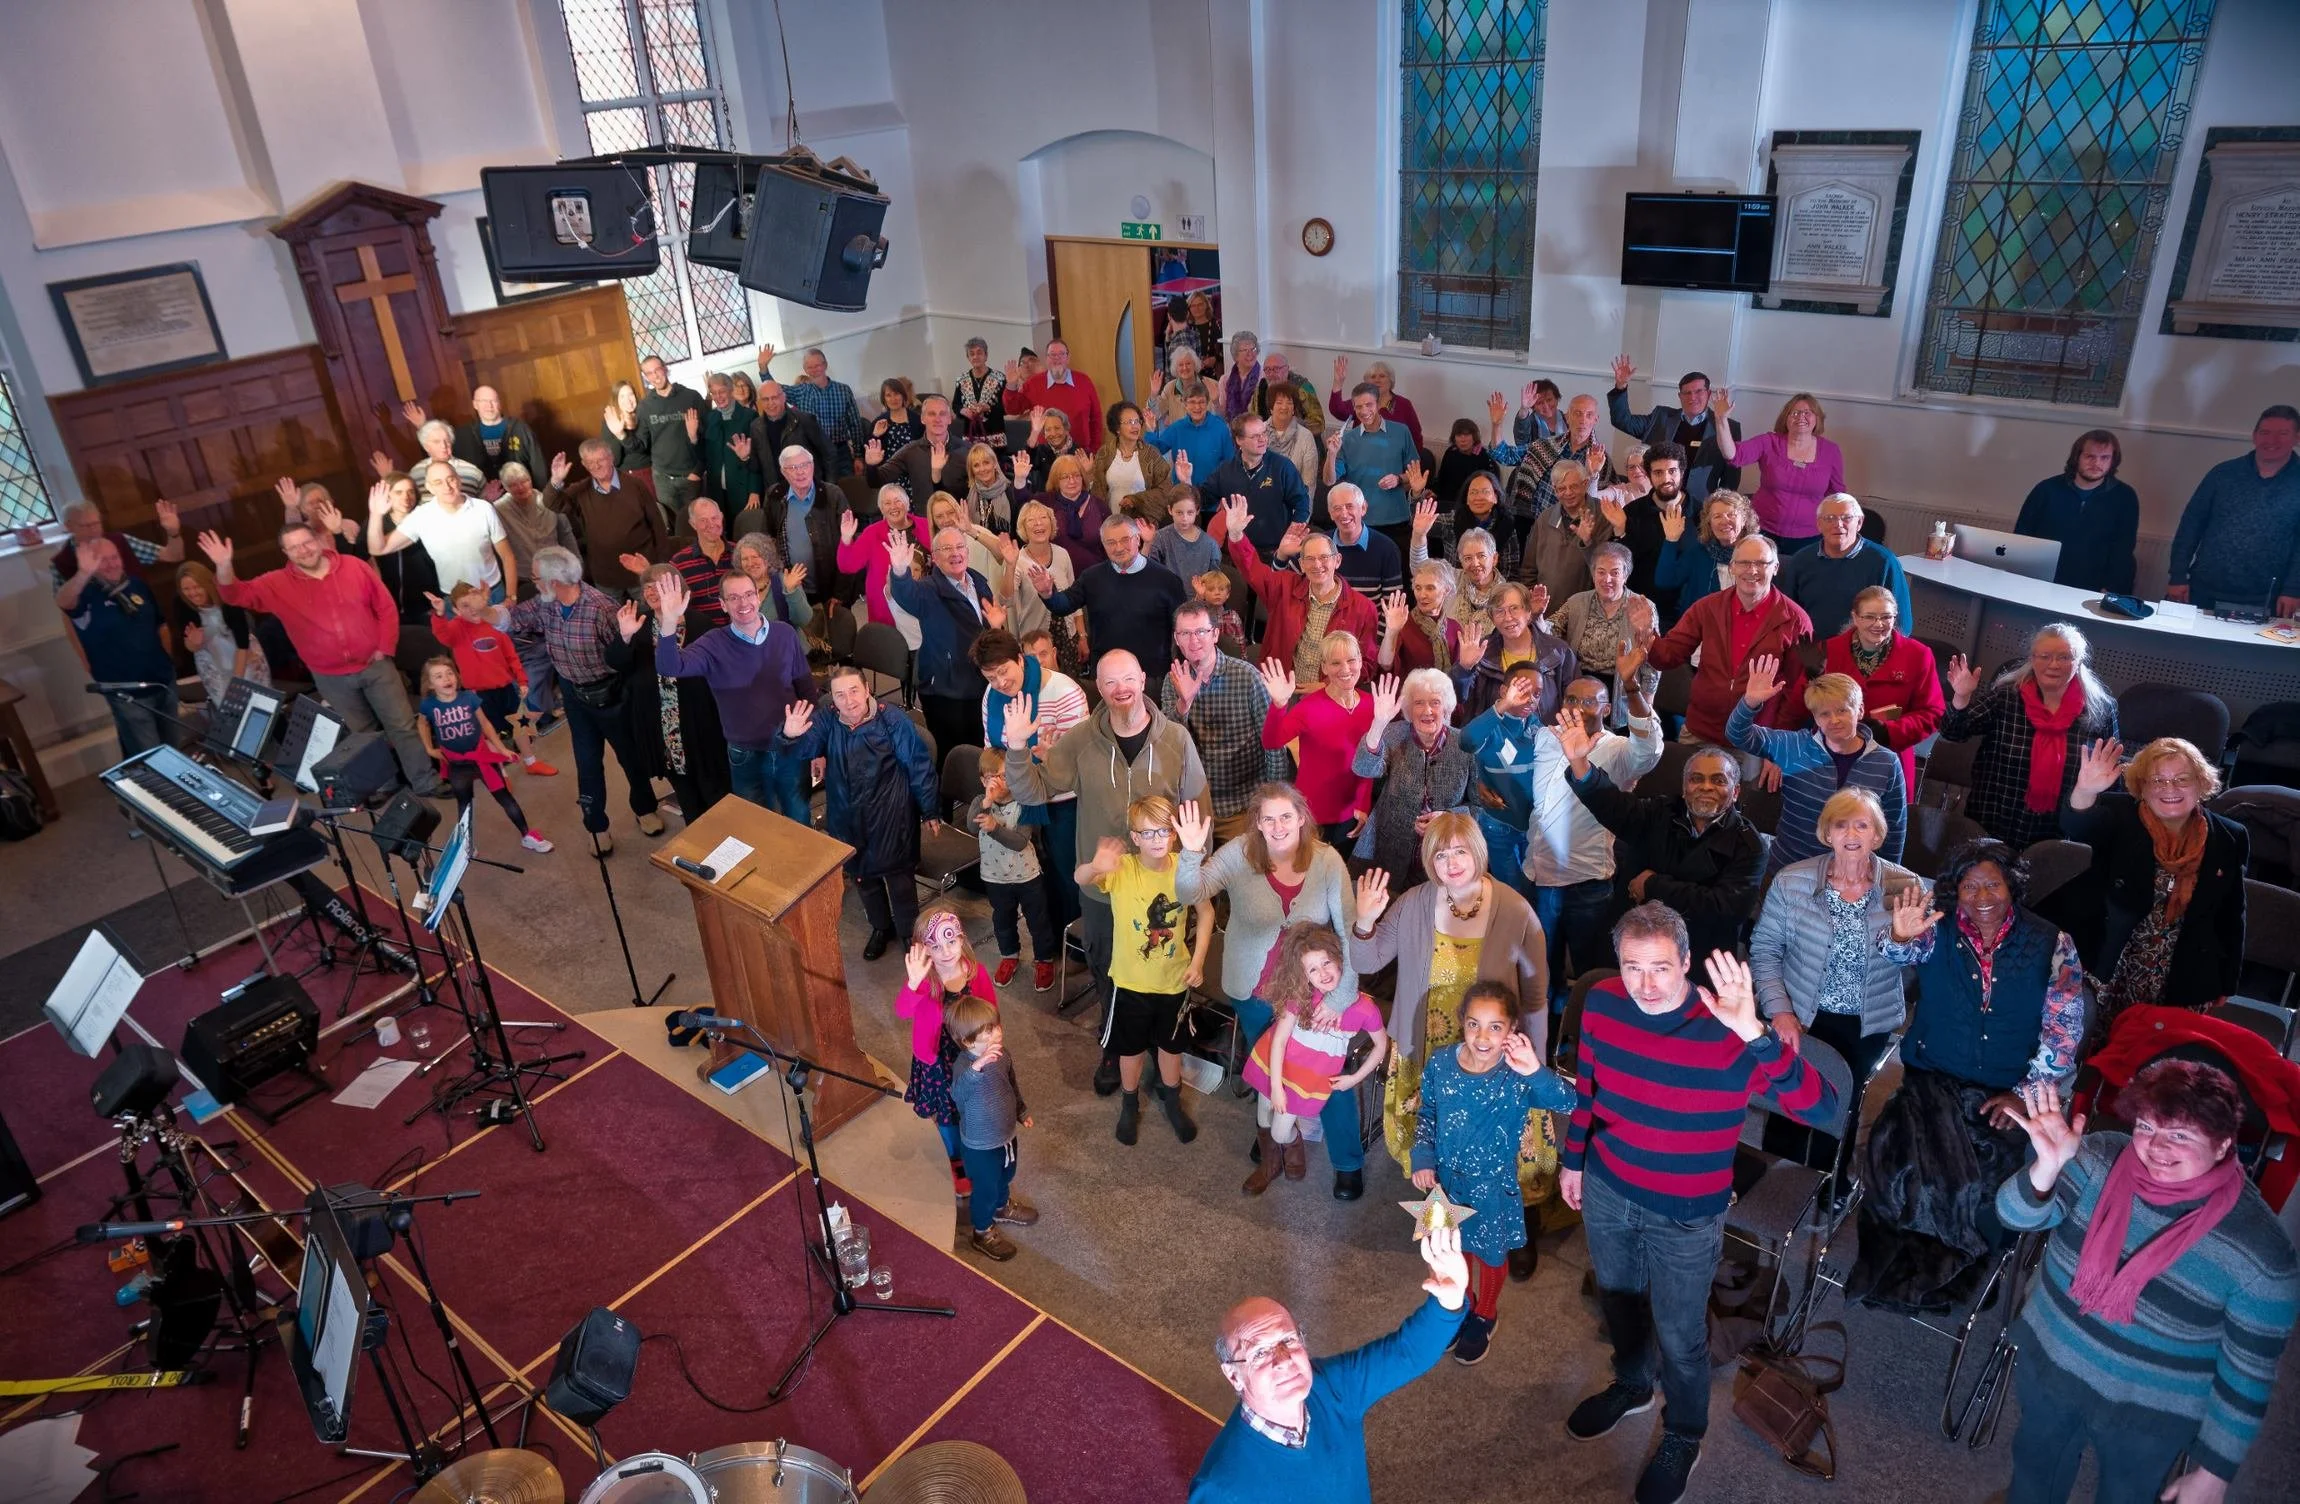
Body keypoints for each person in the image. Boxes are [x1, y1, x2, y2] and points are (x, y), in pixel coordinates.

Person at [1561, 907, 1838, 1504]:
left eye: (1661, 967)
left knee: (1681, 1333)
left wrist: (1755, 1033)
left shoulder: (1726, 1027)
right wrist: (1572, 1159)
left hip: (1685, 1211)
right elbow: (1587, 1090)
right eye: (1633, 967)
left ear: (1687, 963)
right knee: (1619, 1302)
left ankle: (1685, 1432)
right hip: (1608, 1189)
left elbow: (1822, 1109)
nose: (1646, 984)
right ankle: (1633, 1385)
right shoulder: (1603, 1002)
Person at [1994, 1067, 2298, 1504]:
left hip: (2153, 1413)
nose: (2156, 1148)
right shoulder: (2101, 1157)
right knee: (2032, 1478)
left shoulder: (2261, 1253)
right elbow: (2014, 1216)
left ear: (2224, 1145)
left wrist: (2214, 1474)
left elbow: (2248, 1374)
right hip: (2053, 1363)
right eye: (2146, 1127)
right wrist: (2046, 1169)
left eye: (2181, 1135)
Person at [1854, 841, 2085, 1311]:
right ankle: (1897, 1269)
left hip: (2006, 1092)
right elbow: (1892, 953)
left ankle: (1956, 1275)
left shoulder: (2052, 943)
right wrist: (1897, 935)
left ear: (2012, 886)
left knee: (1978, 1184)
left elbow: (2064, 1029)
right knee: (1889, 1160)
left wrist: (2025, 1094)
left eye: (1993, 884)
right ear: (1954, 891)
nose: (1982, 897)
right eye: (1969, 886)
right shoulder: (1934, 927)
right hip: (1930, 1081)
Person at [1176, 784, 1369, 1196]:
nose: (1278, 826)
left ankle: (1347, 1162)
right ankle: (1274, 1143)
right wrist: (1191, 853)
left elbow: (1349, 932)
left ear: (1302, 818)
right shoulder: (1240, 853)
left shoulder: (1327, 861)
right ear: (1258, 824)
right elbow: (1190, 892)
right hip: (1254, 990)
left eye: (1286, 817)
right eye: (1268, 819)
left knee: (1327, 1078)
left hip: (1311, 994)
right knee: (1267, 1072)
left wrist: (1339, 998)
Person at [1189, 1221, 1469, 1504]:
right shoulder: (1221, 1490)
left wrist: (1449, 1301)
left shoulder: (1331, 1386)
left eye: (1288, 1340)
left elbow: (1405, 1354)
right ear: (1233, 1375)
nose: (1283, 1361)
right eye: (1260, 1353)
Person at [1000, 650, 1209, 997]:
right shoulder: (1081, 740)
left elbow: (1199, 812)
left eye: (1128, 679)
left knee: (1161, 968)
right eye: (1110, 682)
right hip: (1102, 890)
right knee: (1105, 970)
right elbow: (1032, 791)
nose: (1121, 688)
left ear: (1142, 680)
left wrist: (1194, 875)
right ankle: (1111, 1026)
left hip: (1161, 888)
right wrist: (1018, 746)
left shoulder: (1176, 739)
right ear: (1098, 687)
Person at [1351, 816, 1548, 1180]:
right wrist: (1364, 923)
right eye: (1440, 855)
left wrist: (1534, 1064)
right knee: (1432, 1143)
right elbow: (1368, 961)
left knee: (1486, 1147)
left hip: (1489, 1051)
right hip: (1425, 1047)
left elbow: (1535, 997)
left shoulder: (1515, 909)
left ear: (1478, 851)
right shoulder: (1413, 902)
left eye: (1460, 851)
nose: (1451, 863)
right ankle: (1440, 1201)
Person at [202, 524, 446, 795]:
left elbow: (385, 607)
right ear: (285, 552)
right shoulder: (276, 583)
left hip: (376, 665)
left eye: (306, 542)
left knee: (402, 725)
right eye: (294, 547)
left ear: (318, 541)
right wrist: (223, 565)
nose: (303, 550)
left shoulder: (354, 566)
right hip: (330, 677)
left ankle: (425, 782)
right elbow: (235, 594)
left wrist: (385, 647)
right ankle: (385, 786)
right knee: (363, 734)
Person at [1747, 787, 1914, 1181]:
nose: (1851, 834)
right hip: (1800, 1012)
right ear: (1827, 833)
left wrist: (1902, 939)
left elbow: (1916, 962)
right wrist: (1780, 1012)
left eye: (1862, 825)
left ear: (1877, 835)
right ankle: (1775, 1180)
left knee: (1841, 1107)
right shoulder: (1792, 881)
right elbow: (1764, 950)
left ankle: (1828, 1181)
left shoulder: (1903, 887)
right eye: (1841, 825)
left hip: (1866, 1020)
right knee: (1788, 1096)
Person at [1411, 979, 1575, 1363]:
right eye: (1474, 1024)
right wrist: (1422, 1157)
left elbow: (1570, 1102)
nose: (1482, 1037)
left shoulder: (1517, 1074)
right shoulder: (1441, 1063)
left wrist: (1534, 1070)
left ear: (1512, 1029)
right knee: (1452, 1249)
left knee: (1490, 1255)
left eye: (1495, 1027)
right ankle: (1462, 1305)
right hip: (1444, 1183)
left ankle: (1485, 1314)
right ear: (1462, 1022)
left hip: (1491, 1189)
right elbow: (1428, 1113)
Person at [2051, 736, 2247, 1022]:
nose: (2170, 789)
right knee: (2098, 1039)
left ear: (2202, 782)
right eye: (2157, 780)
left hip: (2183, 969)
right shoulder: (2120, 816)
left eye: (2182, 779)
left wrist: (2228, 981)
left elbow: (2232, 914)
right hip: (2113, 961)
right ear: (2142, 787)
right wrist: (2085, 790)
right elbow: (2077, 825)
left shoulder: (2230, 836)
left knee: (2160, 1045)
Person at [493, 546, 663, 846]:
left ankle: (645, 808)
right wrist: (481, 611)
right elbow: (511, 617)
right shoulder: (545, 604)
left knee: (630, 757)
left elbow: (624, 655)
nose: (533, 583)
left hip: (611, 693)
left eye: (536, 578)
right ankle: (596, 826)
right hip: (574, 695)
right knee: (587, 763)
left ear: (554, 581)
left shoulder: (601, 608)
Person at [1077, 795, 1212, 1146]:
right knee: (1131, 1050)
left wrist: (1197, 961)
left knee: (1171, 1047)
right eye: (1148, 833)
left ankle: (1172, 1101)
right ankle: (1129, 1102)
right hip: (1130, 984)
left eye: (1164, 831)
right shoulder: (1122, 867)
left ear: (1174, 834)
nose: (1157, 839)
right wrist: (1095, 865)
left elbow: (1207, 912)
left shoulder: (1185, 866)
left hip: (1174, 982)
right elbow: (1081, 878)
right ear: (1135, 837)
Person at [781, 669, 942, 958]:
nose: (849, 700)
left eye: (854, 691)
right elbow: (803, 750)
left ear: (867, 689)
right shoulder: (827, 720)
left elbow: (919, 767)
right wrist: (789, 736)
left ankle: (909, 934)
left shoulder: (892, 721)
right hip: (847, 819)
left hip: (891, 819)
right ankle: (881, 928)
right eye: (840, 694)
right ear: (833, 699)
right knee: (864, 881)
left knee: (900, 884)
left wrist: (930, 809)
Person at [1530, 671, 1664, 1007]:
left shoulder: (1617, 749)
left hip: (1586, 883)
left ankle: (1584, 1026)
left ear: (1606, 709)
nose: (1577, 707)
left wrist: (1631, 687)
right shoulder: (1546, 737)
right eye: (1571, 699)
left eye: (1589, 701)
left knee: (1589, 972)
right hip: (1539, 874)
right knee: (1541, 967)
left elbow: (1649, 750)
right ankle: (1549, 1025)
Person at [1566, 742, 1765, 963]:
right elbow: (1612, 804)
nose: (1706, 787)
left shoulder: (1749, 845)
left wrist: (1653, 886)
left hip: (1698, 956)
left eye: (1719, 780)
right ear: (1684, 788)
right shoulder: (1659, 812)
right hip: (1635, 942)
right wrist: (1578, 761)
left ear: (1735, 792)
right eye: (1696, 779)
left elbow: (1725, 909)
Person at [644, 567, 815, 821]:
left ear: (758, 597)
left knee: (797, 814)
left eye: (748, 594)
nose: (743, 603)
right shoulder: (713, 643)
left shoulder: (784, 633)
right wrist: (669, 622)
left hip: (790, 744)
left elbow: (806, 687)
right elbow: (669, 667)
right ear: (723, 605)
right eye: (733, 598)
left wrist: (813, 742)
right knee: (754, 821)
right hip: (744, 752)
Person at [1940, 621, 2120, 849]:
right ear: (2032, 659)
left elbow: (2110, 779)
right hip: (1993, 819)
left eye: (2065, 657)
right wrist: (1961, 697)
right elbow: (1953, 733)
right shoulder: (2007, 696)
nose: (2053, 665)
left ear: (2079, 661)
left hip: (2059, 832)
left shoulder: (2100, 709)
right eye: (2044, 656)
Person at [1241, 922, 1388, 1195]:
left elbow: (1381, 1045)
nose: (1322, 973)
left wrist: (1354, 1078)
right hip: (1275, 1063)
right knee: (1264, 1118)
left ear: (1340, 960)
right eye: (1312, 969)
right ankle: (1269, 1164)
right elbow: (1280, 1039)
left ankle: (1292, 1145)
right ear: (1304, 975)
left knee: (1280, 1131)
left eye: (1326, 962)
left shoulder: (1365, 1009)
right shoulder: (1302, 994)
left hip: (1306, 1078)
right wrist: (1275, 1086)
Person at [1728, 662, 1909, 875]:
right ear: (1815, 718)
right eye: (1824, 714)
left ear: (1860, 710)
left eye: (1842, 710)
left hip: (1851, 876)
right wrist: (1750, 702)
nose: (1834, 720)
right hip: (1787, 869)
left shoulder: (1887, 763)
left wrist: (1884, 879)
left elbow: (1894, 829)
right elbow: (1737, 734)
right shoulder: (1794, 746)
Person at [1646, 535, 1813, 747]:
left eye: (1761, 563)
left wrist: (1780, 743)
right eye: (1744, 563)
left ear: (1776, 567)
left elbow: (1796, 690)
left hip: (1755, 738)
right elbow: (1667, 657)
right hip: (1700, 730)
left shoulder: (1796, 621)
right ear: (1732, 567)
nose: (1752, 570)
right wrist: (1646, 634)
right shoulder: (1707, 607)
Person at [895, 901, 997, 1197]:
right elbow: (902, 1011)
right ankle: (956, 1161)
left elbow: (990, 1010)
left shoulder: (975, 973)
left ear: (961, 939)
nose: (946, 951)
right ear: (924, 950)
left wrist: (993, 1041)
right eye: (936, 946)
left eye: (951, 941)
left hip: (970, 1054)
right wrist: (913, 985)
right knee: (948, 1114)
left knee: (973, 1106)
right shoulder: (924, 982)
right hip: (938, 1061)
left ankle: (975, 1148)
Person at [1161, 601, 1285, 841]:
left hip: (1242, 804)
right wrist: (1184, 704)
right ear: (1177, 639)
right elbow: (1169, 747)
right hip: (1193, 804)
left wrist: (1273, 799)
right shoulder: (1172, 680)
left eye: (1201, 631)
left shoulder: (1247, 676)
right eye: (1185, 633)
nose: (1193, 640)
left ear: (1215, 634)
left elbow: (1273, 743)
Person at [620, 563, 730, 824]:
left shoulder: (701, 624)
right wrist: (624, 638)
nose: (651, 592)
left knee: (716, 793)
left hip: (701, 726)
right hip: (664, 730)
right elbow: (618, 664)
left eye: (658, 586)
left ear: (676, 589)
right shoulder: (639, 624)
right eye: (647, 587)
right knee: (686, 796)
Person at [1222, 497, 1381, 677]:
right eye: (1310, 559)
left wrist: (1327, 686)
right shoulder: (1284, 587)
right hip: (1282, 685)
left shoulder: (1363, 608)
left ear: (1337, 561)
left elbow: (1366, 664)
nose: (1317, 565)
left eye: (1324, 557)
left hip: (1330, 690)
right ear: (1302, 565)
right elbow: (1253, 569)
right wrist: (1236, 535)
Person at [2164, 404, 2300, 614]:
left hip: (2267, 599)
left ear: (2297, 438)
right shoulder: (2223, 474)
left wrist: (2293, 589)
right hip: (2202, 590)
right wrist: (2178, 575)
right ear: (2254, 436)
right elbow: (2191, 525)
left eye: (2282, 434)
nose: (2272, 440)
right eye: (2265, 432)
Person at [1027, 515, 1192, 682]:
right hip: (1106, 677)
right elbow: (1063, 605)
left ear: (1137, 539)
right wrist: (1047, 593)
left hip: (1152, 677)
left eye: (1125, 540)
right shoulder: (1092, 577)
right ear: (1103, 544)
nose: (1118, 548)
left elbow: (1184, 629)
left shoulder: (1167, 580)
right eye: (1111, 542)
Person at [413, 657, 553, 852]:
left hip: (482, 759)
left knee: (505, 797)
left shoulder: (469, 698)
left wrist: (502, 749)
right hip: (457, 765)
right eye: (439, 676)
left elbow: (486, 724)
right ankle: (466, 843)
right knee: (464, 804)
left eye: (450, 673)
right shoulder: (428, 705)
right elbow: (422, 724)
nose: (446, 678)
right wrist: (429, 749)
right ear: (429, 684)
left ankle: (527, 835)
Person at [1350, 670, 1476, 884]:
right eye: (1418, 703)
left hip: (1445, 854)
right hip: (1388, 848)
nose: (1427, 710)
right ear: (1409, 708)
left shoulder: (1465, 745)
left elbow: (1480, 807)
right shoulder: (1393, 734)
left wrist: (1448, 817)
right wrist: (1378, 725)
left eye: (1435, 702)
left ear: (1446, 707)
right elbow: (1363, 768)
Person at [944, 992, 1040, 1263]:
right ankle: (982, 1231)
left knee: (1006, 1173)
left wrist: (1021, 1111)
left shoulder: (1003, 1055)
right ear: (967, 1042)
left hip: (1006, 1134)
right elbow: (958, 1095)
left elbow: (1011, 1086)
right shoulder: (964, 1067)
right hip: (980, 1145)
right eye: (987, 1032)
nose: (997, 1033)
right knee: (985, 1188)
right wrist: (977, 1067)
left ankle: (1001, 1206)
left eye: (996, 1026)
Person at [888, 525, 998, 758]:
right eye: (946, 549)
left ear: (967, 552)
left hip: (981, 681)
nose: (955, 553)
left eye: (959, 547)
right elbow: (906, 594)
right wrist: (899, 570)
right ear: (935, 558)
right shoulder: (928, 590)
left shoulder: (979, 582)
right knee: (952, 756)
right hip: (946, 690)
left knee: (982, 749)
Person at [1823, 585, 1943, 798]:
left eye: (1886, 617)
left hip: (1889, 760)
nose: (1878, 624)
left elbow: (1933, 713)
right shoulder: (1829, 650)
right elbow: (1801, 705)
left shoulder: (1918, 655)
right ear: (1855, 617)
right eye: (1869, 617)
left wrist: (1890, 731)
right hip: (1832, 759)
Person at [425, 582, 552, 776]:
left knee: (520, 724)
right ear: (456, 611)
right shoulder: (457, 629)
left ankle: (531, 761)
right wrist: (439, 614)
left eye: (473, 602)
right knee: (490, 733)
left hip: (505, 688)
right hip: (480, 694)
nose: (472, 609)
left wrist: (522, 680)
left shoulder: (493, 625)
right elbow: (443, 635)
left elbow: (511, 655)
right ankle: (500, 774)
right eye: (465, 605)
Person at [64, 538, 176, 757]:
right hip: (127, 693)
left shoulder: (137, 585)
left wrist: (168, 664)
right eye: (103, 560)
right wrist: (82, 575)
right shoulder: (84, 595)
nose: (111, 564)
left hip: (163, 682)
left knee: (174, 752)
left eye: (114, 557)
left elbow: (160, 625)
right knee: (152, 758)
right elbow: (63, 601)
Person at [1259, 643, 1373, 846]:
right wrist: (1278, 705)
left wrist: (1363, 802)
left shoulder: (1371, 704)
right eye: (1336, 663)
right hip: (1311, 814)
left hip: (1351, 813)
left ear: (1360, 662)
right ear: (1324, 667)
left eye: (1351, 660)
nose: (1345, 669)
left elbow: (1372, 760)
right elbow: (1271, 741)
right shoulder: (1308, 706)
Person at [1704, 391, 1843, 549]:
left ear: (1817, 418)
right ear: (1785, 418)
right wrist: (1721, 420)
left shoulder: (1831, 451)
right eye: (1794, 413)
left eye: (1807, 412)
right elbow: (1733, 455)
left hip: (1810, 537)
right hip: (1762, 530)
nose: (1800, 417)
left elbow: (1837, 494)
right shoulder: (1769, 442)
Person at [969, 749, 1057, 993]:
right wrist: (986, 803)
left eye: (1004, 776)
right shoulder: (980, 803)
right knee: (1003, 920)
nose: (999, 783)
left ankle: (1044, 959)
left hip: (1027, 876)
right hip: (994, 877)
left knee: (1038, 920)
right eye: (992, 777)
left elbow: (1020, 842)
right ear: (983, 781)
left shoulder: (1024, 802)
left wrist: (995, 828)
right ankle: (1009, 955)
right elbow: (971, 827)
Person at [370, 459, 517, 603]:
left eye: (450, 479)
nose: (447, 487)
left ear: (458, 480)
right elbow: (378, 548)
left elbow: (507, 556)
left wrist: (511, 597)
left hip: (492, 593)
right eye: (438, 482)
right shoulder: (421, 516)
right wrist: (376, 514)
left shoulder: (483, 508)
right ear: (429, 487)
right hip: (453, 600)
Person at [2014, 429, 2141, 594]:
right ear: (2077, 457)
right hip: (2043, 581)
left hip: (2095, 587)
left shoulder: (2124, 496)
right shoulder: (2046, 490)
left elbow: (2124, 548)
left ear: (2113, 461)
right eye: (2090, 456)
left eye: (2104, 458)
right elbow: (2022, 535)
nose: (2096, 463)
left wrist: (2110, 587)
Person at [1605, 357, 1740, 508]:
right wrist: (1621, 387)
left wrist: (1723, 508)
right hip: (1658, 502)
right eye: (1687, 393)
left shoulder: (1727, 427)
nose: (1692, 397)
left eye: (1698, 391)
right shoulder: (1661, 417)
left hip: (1699, 507)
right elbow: (1622, 421)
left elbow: (1731, 478)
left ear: (1708, 394)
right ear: (1679, 396)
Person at [1549, 543, 1660, 721]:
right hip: (1579, 686)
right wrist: (1536, 617)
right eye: (1601, 572)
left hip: (1621, 692)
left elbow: (1652, 661)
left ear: (1625, 576)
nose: (1607, 579)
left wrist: (1646, 705)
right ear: (1593, 574)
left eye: (1615, 573)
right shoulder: (1577, 602)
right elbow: (1549, 631)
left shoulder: (1642, 607)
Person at [1777, 493, 1911, 639]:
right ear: (1819, 524)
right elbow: (1787, 613)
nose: (1838, 524)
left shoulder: (1884, 561)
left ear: (1859, 523)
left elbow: (1901, 625)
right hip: (1812, 645)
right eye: (1829, 518)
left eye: (1846, 518)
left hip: (1863, 647)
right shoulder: (1801, 560)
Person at [544, 440, 669, 593]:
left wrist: (661, 565)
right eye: (590, 462)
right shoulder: (580, 490)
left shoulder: (635, 485)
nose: (596, 466)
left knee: (648, 607)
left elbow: (657, 524)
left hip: (640, 571)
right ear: (584, 464)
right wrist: (556, 480)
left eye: (600, 460)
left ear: (611, 458)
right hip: (605, 575)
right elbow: (551, 503)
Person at [1452, 580, 1577, 728]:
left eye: (1514, 608)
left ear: (1528, 612)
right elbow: (1458, 698)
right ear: (1492, 618)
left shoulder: (1558, 651)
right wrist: (1464, 668)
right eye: (1499, 611)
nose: (1508, 617)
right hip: (1494, 737)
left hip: (1547, 737)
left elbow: (1574, 701)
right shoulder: (1481, 652)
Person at [1324, 384, 1421, 548]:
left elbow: (1416, 473)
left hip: (1396, 519)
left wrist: (1398, 479)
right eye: (1358, 406)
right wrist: (1331, 454)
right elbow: (1329, 480)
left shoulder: (1401, 432)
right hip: (1361, 522)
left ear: (1378, 404)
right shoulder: (1347, 439)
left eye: (1369, 405)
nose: (1364, 411)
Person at [1205, 416, 1313, 558]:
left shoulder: (1282, 466)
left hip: (1273, 552)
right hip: (1237, 552)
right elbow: (1204, 497)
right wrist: (1186, 480)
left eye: (1264, 433)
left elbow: (1302, 503)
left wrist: (1292, 533)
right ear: (1239, 440)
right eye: (1255, 436)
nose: (1263, 439)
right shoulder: (1226, 469)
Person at [748, 444, 845, 601]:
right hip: (790, 587)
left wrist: (840, 593)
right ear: (783, 472)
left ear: (812, 466)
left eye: (804, 465)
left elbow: (848, 545)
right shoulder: (775, 495)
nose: (800, 472)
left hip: (828, 589)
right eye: (792, 467)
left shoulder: (833, 495)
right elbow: (766, 540)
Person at [621, 355, 708, 525]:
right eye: (649, 373)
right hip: (663, 479)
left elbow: (708, 440)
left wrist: (698, 471)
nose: (655, 376)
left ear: (665, 369)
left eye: (657, 370)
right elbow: (641, 445)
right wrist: (621, 435)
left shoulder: (691, 397)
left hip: (691, 476)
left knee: (698, 524)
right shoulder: (645, 406)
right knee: (673, 526)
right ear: (646, 377)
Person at [171, 560, 268, 710]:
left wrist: (237, 682)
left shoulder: (226, 596)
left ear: (208, 583)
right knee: (229, 708)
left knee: (257, 705)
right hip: (212, 662)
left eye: (197, 587)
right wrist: (194, 642)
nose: (192, 593)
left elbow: (242, 643)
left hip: (244, 655)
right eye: (186, 589)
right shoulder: (181, 604)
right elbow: (190, 646)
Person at [1651, 487, 1758, 620]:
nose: (1724, 521)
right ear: (1709, 523)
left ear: (1744, 520)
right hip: (1700, 627)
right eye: (1717, 516)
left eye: (1731, 514)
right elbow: (1664, 581)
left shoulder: (1758, 554)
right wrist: (1671, 540)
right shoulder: (1698, 553)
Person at [47, 498, 184, 600]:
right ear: (69, 527)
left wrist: (173, 533)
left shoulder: (120, 541)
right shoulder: (61, 563)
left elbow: (174, 556)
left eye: (97, 523)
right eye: (87, 526)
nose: (94, 530)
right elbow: (65, 608)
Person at [1519, 459, 1615, 602]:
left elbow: (1609, 571)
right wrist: (1532, 602)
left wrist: (1588, 542)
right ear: (1554, 490)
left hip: (1587, 608)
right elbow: (1528, 569)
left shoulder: (1604, 515)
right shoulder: (1545, 518)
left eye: (1574, 486)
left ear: (1585, 484)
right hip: (1545, 608)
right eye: (1562, 488)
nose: (1568, 493)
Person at [1507, 394, 1609, 524]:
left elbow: (1594, 509)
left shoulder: (1602, 460)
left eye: (1589, 415)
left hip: (1572, 529)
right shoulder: (1546, 445)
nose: (1583, 420)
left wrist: (1592, 474)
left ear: (1596, 419)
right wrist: (1497, 424)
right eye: (1578, 413)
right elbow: (1506, 455)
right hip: (1536, 523)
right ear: (1568, 417)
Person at [836, 485, 921, 632]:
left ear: (907, 503)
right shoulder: (872, 533)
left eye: (898, 501)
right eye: (887, 503)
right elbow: (847, 566)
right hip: (886, 614)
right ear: (881, 509)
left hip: (921, 608)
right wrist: (846, 538)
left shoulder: (925, 526)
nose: (893, 507)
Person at [493, 460, 579, 603]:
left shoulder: (548, 500)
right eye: (513, 485)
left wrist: (577, 569)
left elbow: (566, 535)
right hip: (525, 578)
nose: (520, 487)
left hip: (557, 573)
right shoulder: (497, 509)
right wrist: (486, 500)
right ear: (505, 487)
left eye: (524, 481)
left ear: (531, 480)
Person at [775, 345, 866, 473]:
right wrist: (763, 369)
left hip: (840, 451)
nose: (814, 370)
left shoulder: (843, 390)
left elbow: (854, 424)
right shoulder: (800, 391)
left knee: (846, 484)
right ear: (805, 369)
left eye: (817, 365)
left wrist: (858, 456)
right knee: (818, 486)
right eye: (810, 367)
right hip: (813, 453)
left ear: (825, 365)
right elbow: (775, 391)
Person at [867, 393, 970, 505]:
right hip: (924, 515)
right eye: (931, 414)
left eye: (942, 414)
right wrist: (871, 466)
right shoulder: (910, 451)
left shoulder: (967, 450)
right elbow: (876, 482)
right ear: (922, 419)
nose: (937, 419)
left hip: (959, 513)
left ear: (949, 419)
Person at [1002, 337, 1104, 448]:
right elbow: (1012, 409)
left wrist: (1094, 449)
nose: (1057, 358)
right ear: (1047, 359)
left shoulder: (1084, 381)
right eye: (1052, 355)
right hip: (1045, 454)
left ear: (1068, 358)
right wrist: (1011, 385)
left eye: (1061, 354)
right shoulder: (1033, 383)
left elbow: (1096, 418)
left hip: (1080, 452)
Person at [1377, 559, 1462, 676]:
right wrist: (1391, 631)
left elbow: (1459, 676)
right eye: (1418, 588)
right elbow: (1384, 664)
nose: (1422, 595)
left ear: (1446, 590)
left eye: (1430, 588)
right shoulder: (1403, 623)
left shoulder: (1455, 628)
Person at [1089, 401, 1173, 518]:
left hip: (1143, 522)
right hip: (1111, 520)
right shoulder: (1104, 453)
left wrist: (1136, 500)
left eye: (1137, 421)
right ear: (1117, 428)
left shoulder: (1151, 454)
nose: (1135, 426)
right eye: (1130, 422)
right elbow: (1097, 491)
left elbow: (1166, 489)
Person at [1323, 483, 1406, 599]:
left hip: (1372, 611)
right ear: (1330, 513)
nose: (1344, 514)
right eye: (1337, 508)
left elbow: (1392, 603)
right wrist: (1293, 553)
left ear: (1363, 508)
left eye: (1349, 506)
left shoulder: (1387, 548)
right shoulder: (1320, 544)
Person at [1145, 379, 1239, 482]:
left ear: (1207, 403)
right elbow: (1155, 452)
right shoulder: (1177, 428)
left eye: (1201, 402)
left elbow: (1230, 462)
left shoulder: (1220, 427)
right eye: (1192, 402)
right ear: (1185, 404)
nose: (1197, 407)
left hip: (1213, 488)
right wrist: (1150, 431)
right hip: (1183, 488)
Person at [1326, 357, 1425, 453]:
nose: (1377, 380)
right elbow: (1337, 410)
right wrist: (1338, 383)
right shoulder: (1361, 401)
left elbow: (1416, 438)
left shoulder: (1404, 405)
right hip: (1361, 456)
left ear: (1390, 380)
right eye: (1373, 377)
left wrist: (1412, 461)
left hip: (1394, 460)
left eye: (1382, 376)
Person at [695, 372, 759, 509]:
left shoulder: (749, 416)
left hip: (743, 491)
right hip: (717, 492)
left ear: (731, 390)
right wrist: (692, 437)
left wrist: (755, 491)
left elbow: (757, 457)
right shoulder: (709, 418)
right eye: (714, 393)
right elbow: (703, 456)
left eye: (722, 391)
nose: (718, 397)